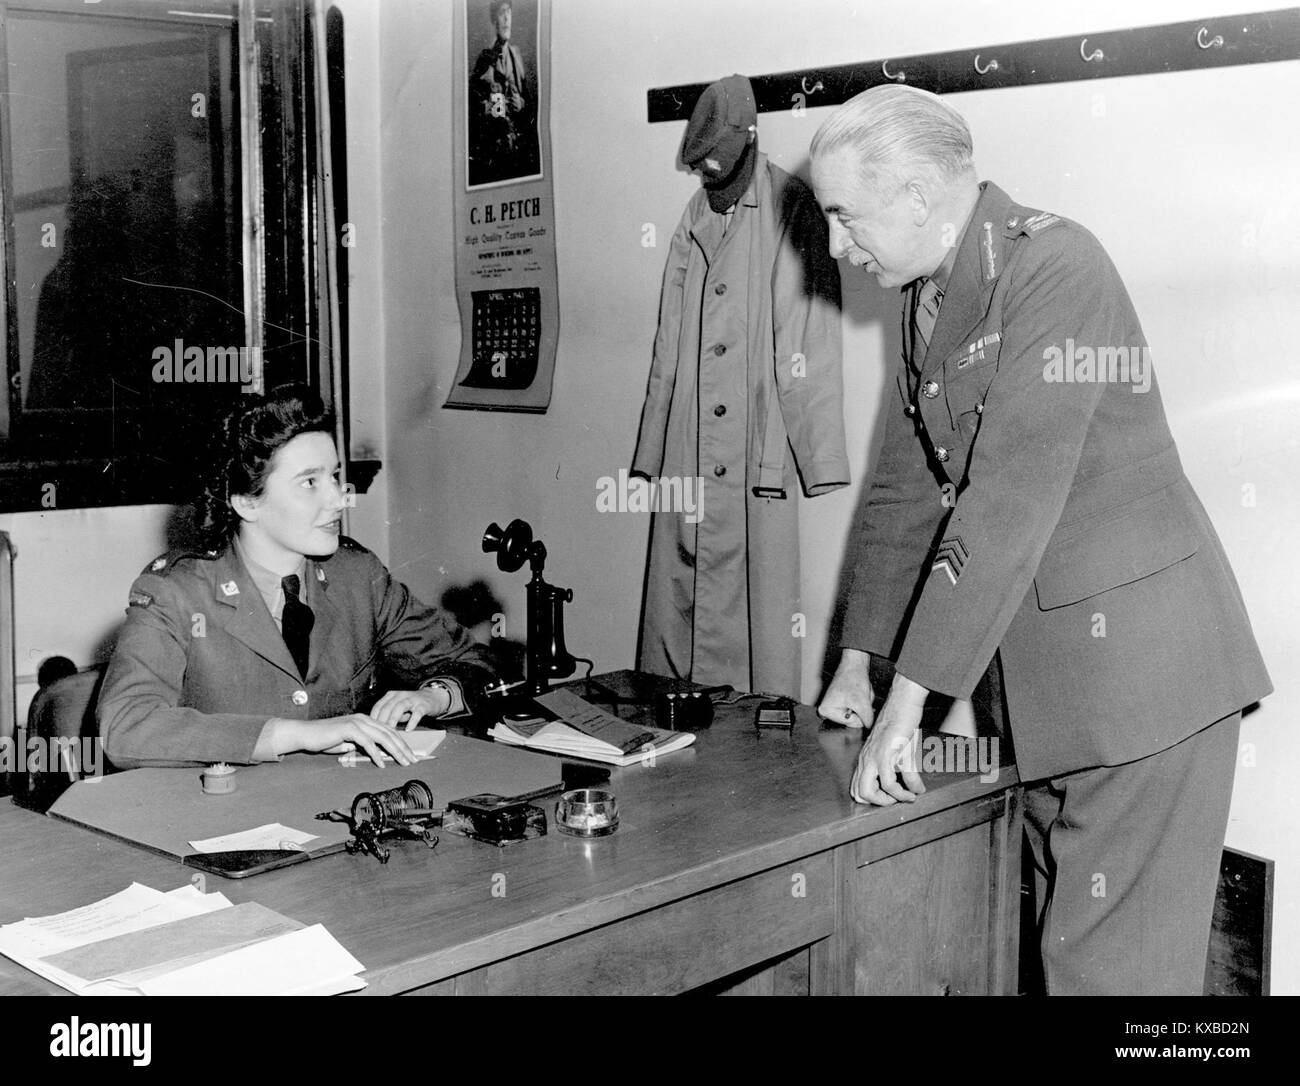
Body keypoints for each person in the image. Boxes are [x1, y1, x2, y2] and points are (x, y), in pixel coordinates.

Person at [809, 86, 1271, 994]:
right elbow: (907, 493)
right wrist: (860, 659)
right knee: (1065, 961)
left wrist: (909, 704)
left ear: (913, 196)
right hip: (1045, 692)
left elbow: (1006, 501)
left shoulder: (1057, 266)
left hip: (1143, 687)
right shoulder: (926, 291)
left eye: (842, 215)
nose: (833, 246)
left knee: (1110, 982)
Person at [98, 387, 498, 769]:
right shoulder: (176, 593)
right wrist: (296, 735)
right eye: (310, 482)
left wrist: (434, 697)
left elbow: (472, 660)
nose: (339, 498)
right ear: (247, 501)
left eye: (335, 476)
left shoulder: (358, 576)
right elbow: (125, 728)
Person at [632, 74, 848, 701]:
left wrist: (820, 458)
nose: (715, 189)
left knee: (755, 640)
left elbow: (810, 341)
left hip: (758, 451)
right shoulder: (694, 214)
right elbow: (667, 345)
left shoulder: (794, 207)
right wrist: (653, 453)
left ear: (751, 142)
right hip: (689, 448)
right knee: (677, 622)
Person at [468, 0, 537, 185]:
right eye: (501, 13)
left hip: (518, 151)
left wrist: (521, 104)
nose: (507, 18)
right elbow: (470, 110)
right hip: (495, 153)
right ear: (494, 21)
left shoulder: (517, 57)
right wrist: (487, 108)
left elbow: (531, 107)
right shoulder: (484, 60)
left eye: (509, 12)